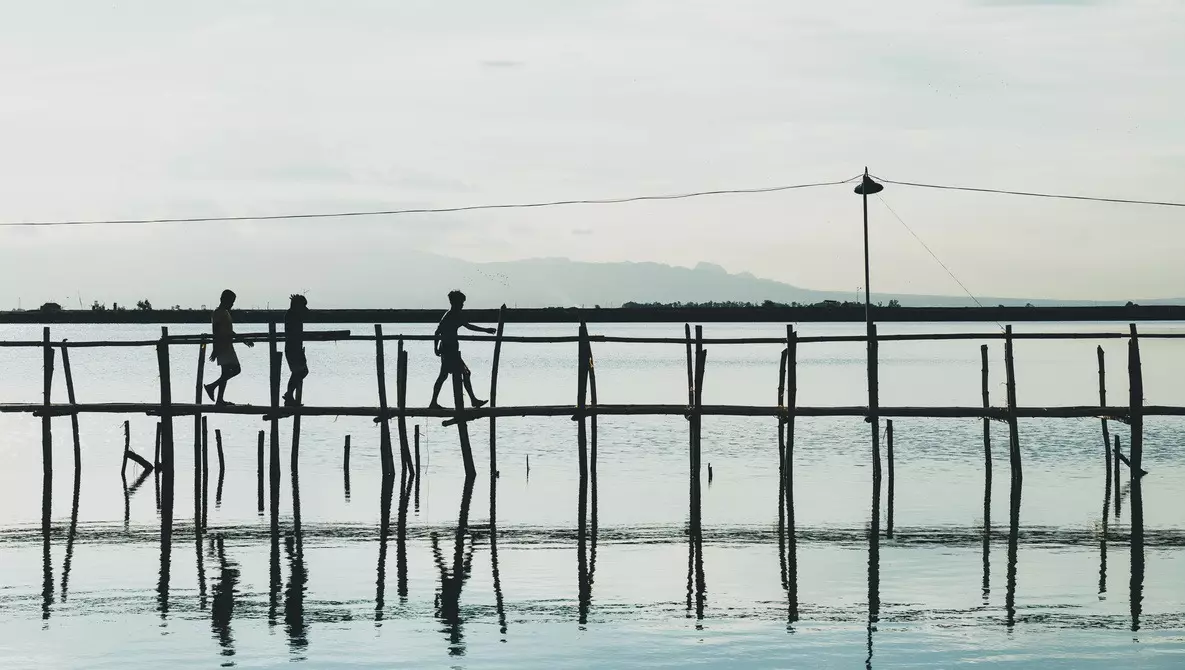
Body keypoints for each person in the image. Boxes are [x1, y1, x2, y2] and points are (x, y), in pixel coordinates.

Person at [428, 290, 495, 409]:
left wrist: (437, 348)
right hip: (449, 350)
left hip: (449, 349)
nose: (463, 305)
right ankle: (473, 400)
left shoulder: (453, 314)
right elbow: (438, 332)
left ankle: (434, 402)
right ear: (455, 302)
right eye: (461, 303)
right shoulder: (452, 314)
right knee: (463, 373)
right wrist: (436, 348)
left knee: (445, 376)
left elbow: (439, 332)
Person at [204, 289, 254, 405]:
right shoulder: (218, 313)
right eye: (231, 302)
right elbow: (216, 331)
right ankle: (212, 386)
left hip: (227, 345)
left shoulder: (226, 313)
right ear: (223, 300)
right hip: (222, 346)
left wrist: (243, 341)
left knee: (225, 373)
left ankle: (219, 399)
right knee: (236, 369)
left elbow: (230, 331)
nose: (232, 304)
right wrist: (215, 349)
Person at [282, 294, 310, 406]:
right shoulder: (292, 314)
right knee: (299, 372)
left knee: (301, 371)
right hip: (292, 348)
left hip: (295, 348)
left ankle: (289, 395)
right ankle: (289, 395)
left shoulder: (293, 314)